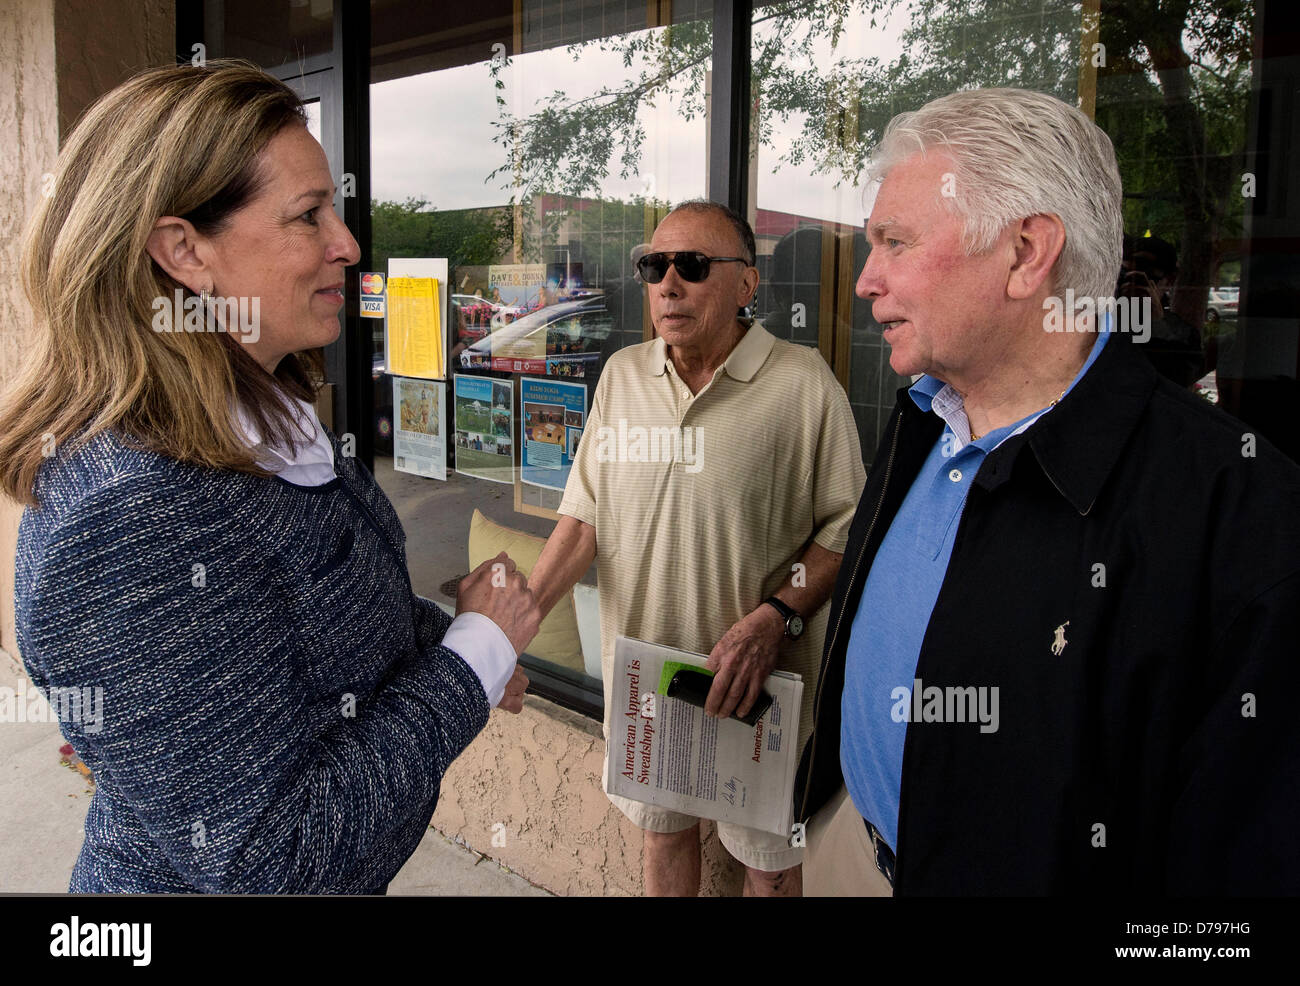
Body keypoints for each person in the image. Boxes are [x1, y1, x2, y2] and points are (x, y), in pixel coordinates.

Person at [0, 61, 539, 894]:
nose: (348, 244)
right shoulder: (128, 518)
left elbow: (294, 632)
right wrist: (474, 660)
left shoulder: (261, 404)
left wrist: (454, 646)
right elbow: (269, 863)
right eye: (307, 215)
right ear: (184, 252)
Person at [795, 87, 1300, 895]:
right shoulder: (924, 415)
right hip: (850, 848)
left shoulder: (1239, 513)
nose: (865, 280)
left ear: (1029, 252)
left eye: (894, 242)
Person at [530, 201, 866, 897]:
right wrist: (519, 620)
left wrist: (776, 617)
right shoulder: (623, 376)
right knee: (662, 841)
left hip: (756, 686)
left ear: (747, 284)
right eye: (654, 266)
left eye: (692, 266)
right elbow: (582, 519)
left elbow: (847, 527)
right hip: (648, 681)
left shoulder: (802, 385)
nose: (668, 284)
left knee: (768, 872)